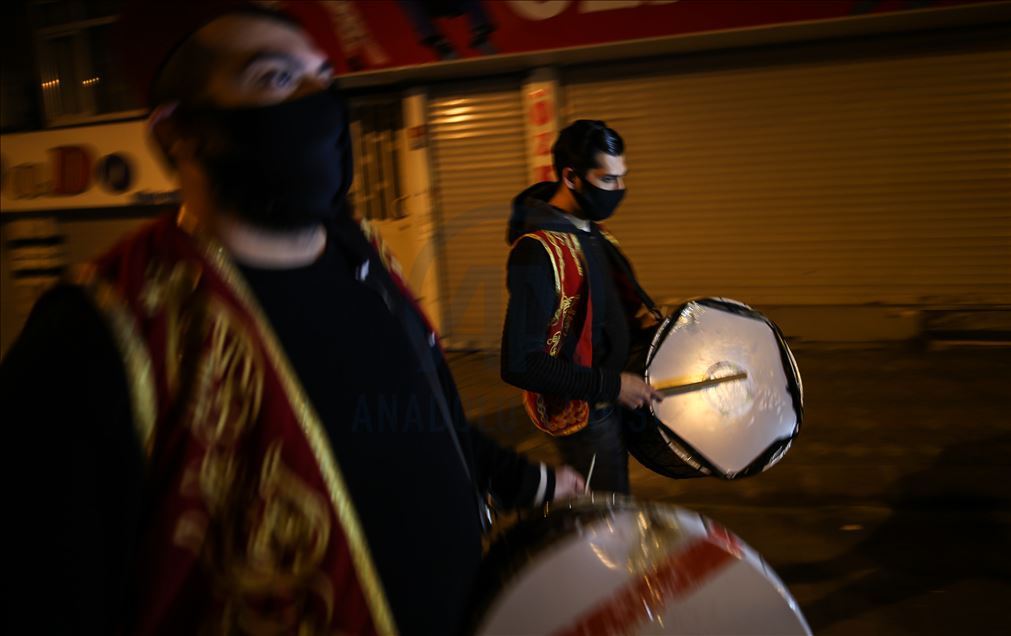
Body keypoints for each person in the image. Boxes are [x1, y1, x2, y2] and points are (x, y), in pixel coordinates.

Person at [0, 3, 583, 634]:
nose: (320, 102)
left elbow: (428, 420)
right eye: (275, 78)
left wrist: (533, 483)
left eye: (323, 77)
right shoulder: (105, 329)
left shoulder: (368, 263)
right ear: (179, 134)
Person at [501, 120, 663, 495]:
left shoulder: (594, 232)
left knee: (614, 498)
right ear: (571, 177)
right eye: (607, 179)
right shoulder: (537, 251)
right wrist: (610, 385)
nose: (618, 190)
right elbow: (518, 362)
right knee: (605, 512)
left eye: (622, 178)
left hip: (615, 397)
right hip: (586, 413)